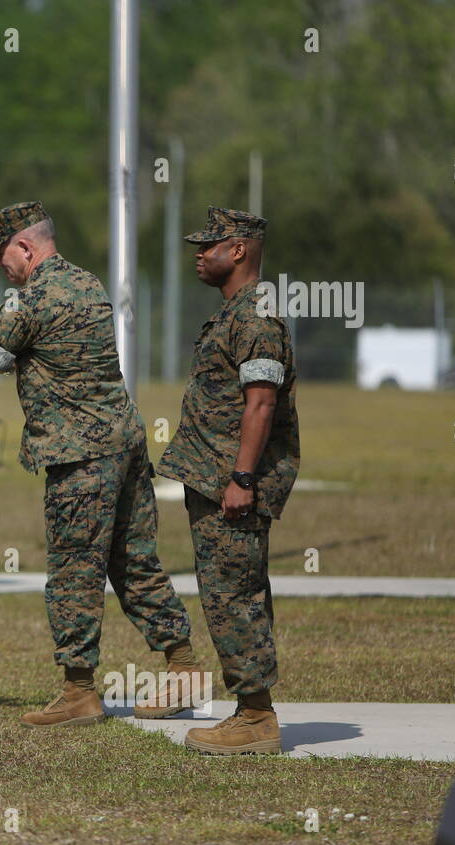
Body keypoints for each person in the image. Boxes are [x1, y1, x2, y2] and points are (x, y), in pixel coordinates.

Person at [0, 202, 200, 728]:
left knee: (75, 570)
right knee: (133, 559)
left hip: (79, 457)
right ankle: (183, 666)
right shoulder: (86, 284)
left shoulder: (28, 300)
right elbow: (22, 349)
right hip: (124, 445)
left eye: (2, 255)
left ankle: (79, 692)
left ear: (26, 247)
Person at [157, 205, 300, 755]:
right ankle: (250, 710)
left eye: (208, 245)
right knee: (226, 592)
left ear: (238, 250)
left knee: (233, 595)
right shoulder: (236, 313)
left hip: (232, 484)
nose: (199, 254)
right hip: (214, 477)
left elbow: (261, 404)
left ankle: (255, 717)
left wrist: (242, 478)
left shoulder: (256, 318)